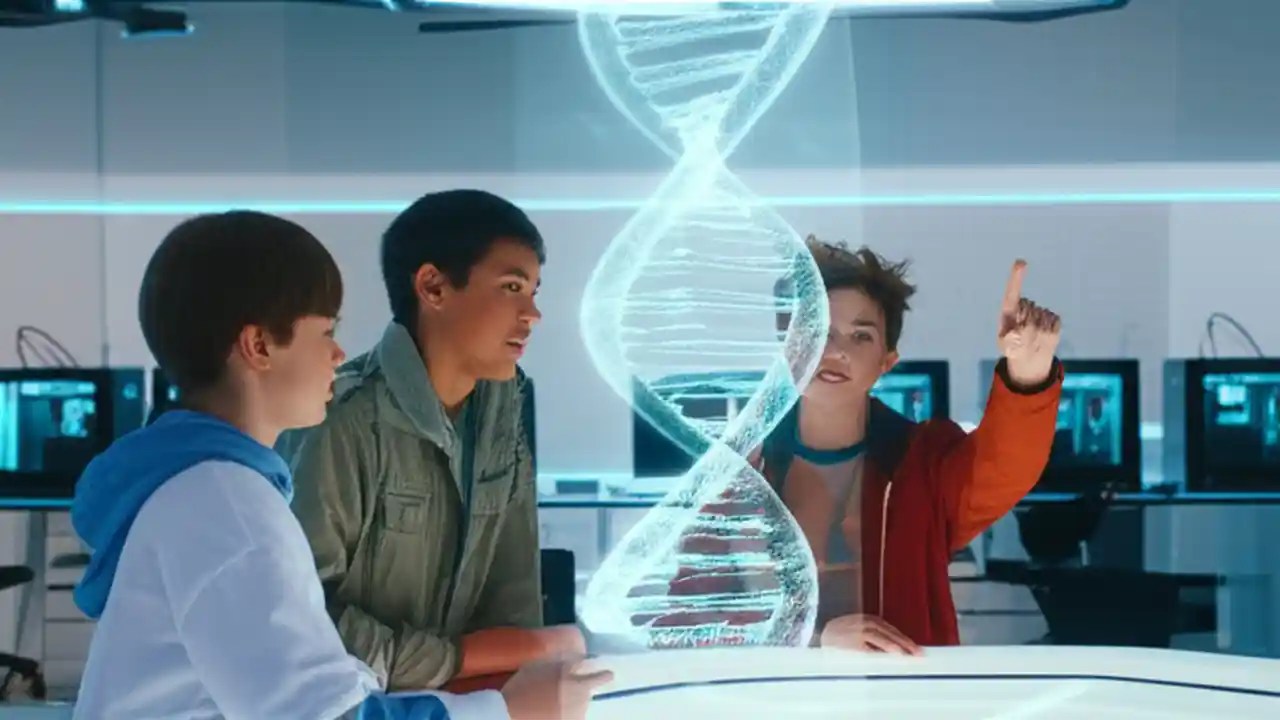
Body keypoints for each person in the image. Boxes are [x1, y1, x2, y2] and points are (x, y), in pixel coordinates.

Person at [71, 211, 610, 719]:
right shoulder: (227, 504)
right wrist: (505, 710)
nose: (337, 354)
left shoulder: (215, 491)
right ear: (258, 345)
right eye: (325, 332)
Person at [281, 190, 581, 693]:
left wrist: (515, 676)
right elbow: (301, 629)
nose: (533, 313)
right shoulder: (339, 420)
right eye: (511, 287)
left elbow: (513, 599)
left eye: (533, 291)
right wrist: (460, 660)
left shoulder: (506, 408)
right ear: (433, 287)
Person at [756, 237, 1063, 654]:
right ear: (788, 345)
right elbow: (697, 617)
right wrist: (815, 642)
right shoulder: (741, 472)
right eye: (820, 332)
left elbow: (1003, 469)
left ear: (887, 362)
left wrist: (1027, 378)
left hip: (906, 700)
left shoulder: (924, 462)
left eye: (861, 336)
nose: (838, 351)